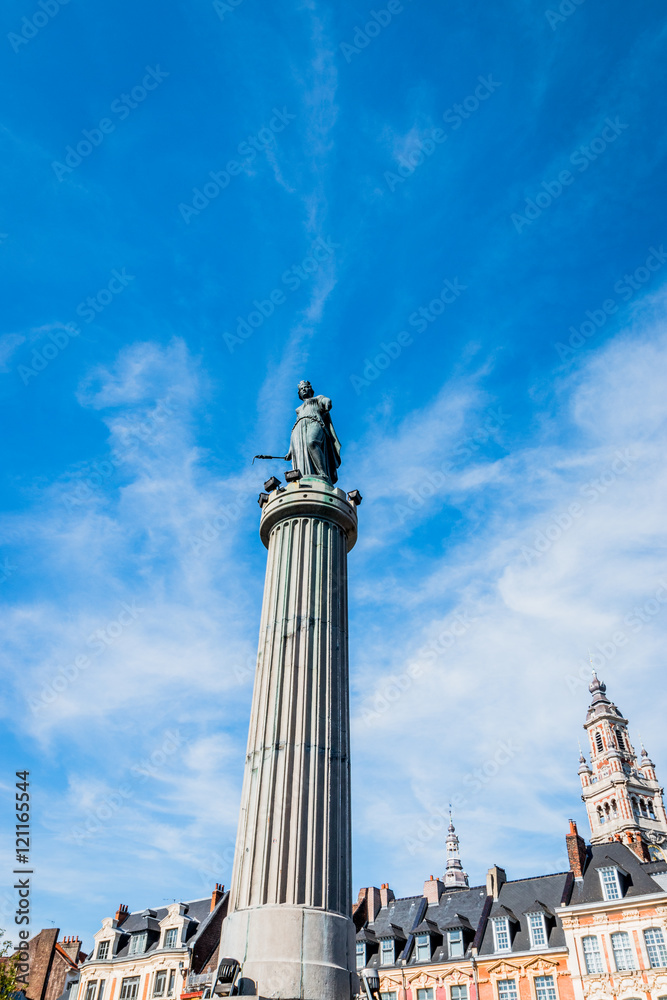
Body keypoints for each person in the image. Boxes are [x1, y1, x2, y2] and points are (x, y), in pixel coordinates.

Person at [286, 380, 341, 484]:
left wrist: (327, 402)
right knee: (300, 451)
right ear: (299, 393)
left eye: (305, 387)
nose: (303, 390)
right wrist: (290, 450)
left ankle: (322, 473)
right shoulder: (298, 409)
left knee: (312, 443)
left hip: (315, 422)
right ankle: (305, 476)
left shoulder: (317, 398)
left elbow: (326, 401)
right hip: (298, 429)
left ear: (310, 389)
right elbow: (296, 424)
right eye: (301, 389)